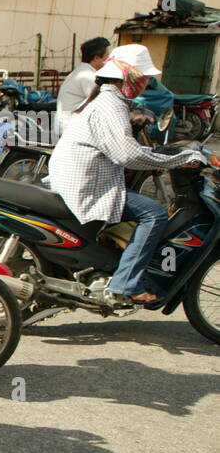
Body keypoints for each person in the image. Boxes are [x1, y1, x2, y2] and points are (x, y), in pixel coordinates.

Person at [49, 44, 206, 306]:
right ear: (128, 76)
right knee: (154, 213)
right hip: (86, 185)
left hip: (82, 176)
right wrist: (179, 160)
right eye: (143, 76)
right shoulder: (110, 105)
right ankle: (126, 283)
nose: (145, 82)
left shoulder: (113, 101)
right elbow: (128, 156)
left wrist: (153, 152)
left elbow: (123, 149)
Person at [55, 36, 111, 138]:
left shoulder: (82, 71)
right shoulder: (88, 76)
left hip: (71, 125)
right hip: (73, 129)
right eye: (107, 56)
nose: (110, 59)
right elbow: (103, 103)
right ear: (96, 58)